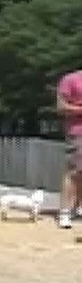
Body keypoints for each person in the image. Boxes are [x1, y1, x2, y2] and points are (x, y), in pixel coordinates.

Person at [55, 67, 82, 228]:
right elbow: (61, 106)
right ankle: (64, 212)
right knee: (74, 171)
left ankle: (78, 207)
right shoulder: (71, 79)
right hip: (78, 131)